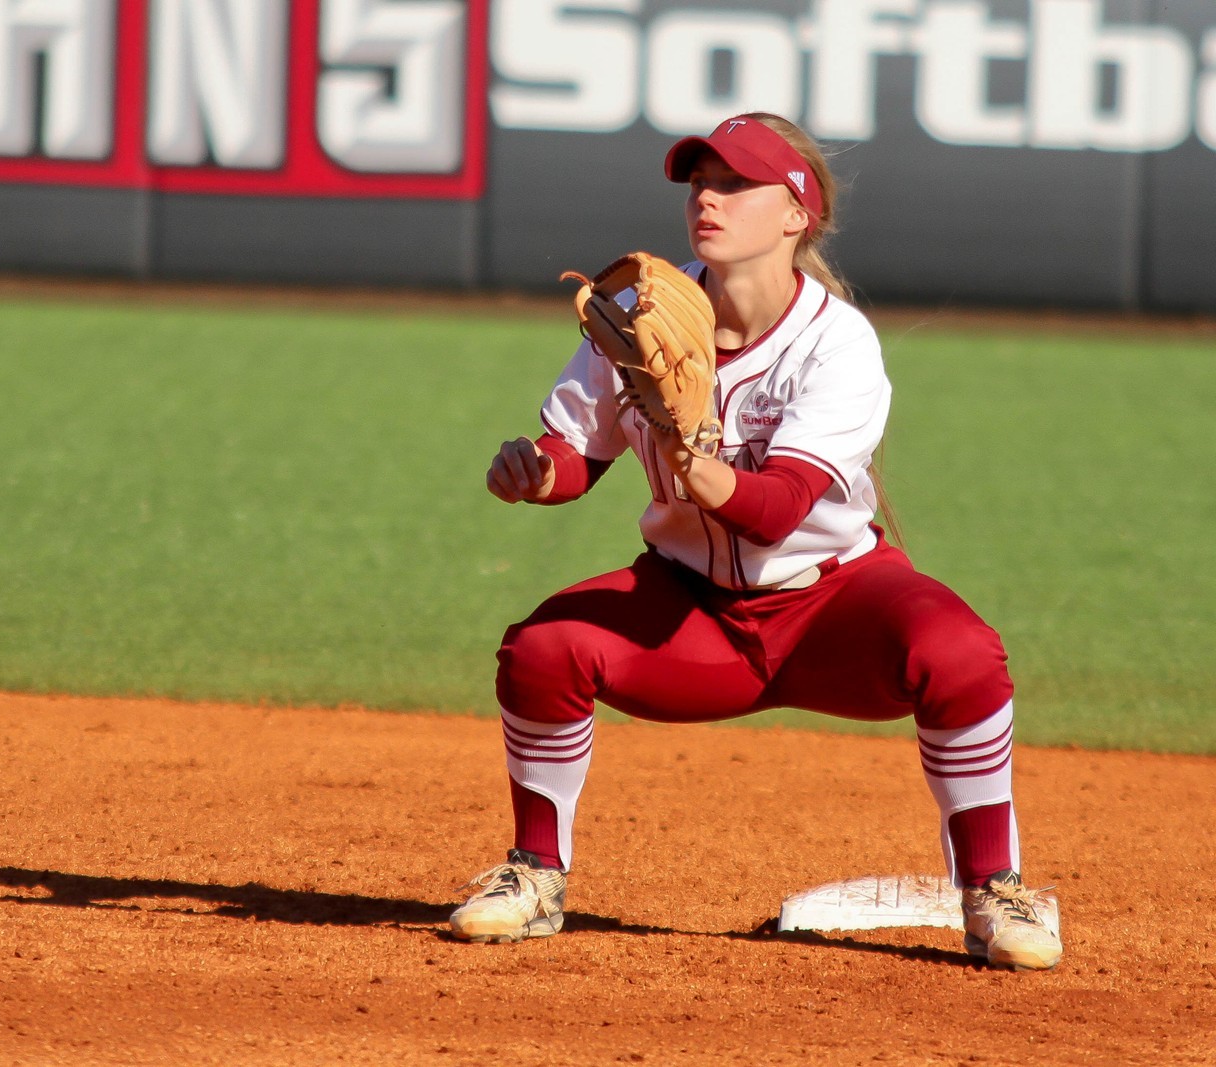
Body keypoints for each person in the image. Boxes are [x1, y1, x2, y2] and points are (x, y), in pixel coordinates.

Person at [447, 113, 1062, 971]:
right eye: (701, 180)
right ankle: (535, 873)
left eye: (737, 183)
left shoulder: (836, 342)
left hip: (832, 609)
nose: (709, 196)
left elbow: (775, 510)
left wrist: (690, 456)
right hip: (688, 616)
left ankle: (995, 888)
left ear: (794, 213)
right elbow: (575, 457)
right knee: (544, 648)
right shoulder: (641, 318)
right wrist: (532, 470)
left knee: (960, 651)